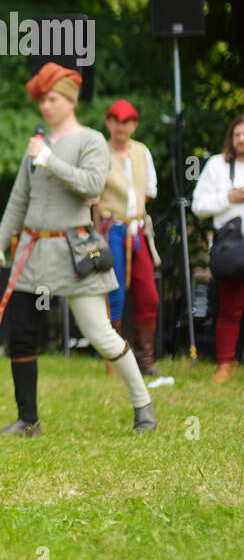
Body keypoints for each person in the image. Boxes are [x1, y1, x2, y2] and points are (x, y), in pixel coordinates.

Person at [0, 62, 156, 434]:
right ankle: (28, 421)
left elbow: (92, 186)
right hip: (32, 253)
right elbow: (18, 200)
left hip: (75, 252)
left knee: (100, 333)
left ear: (71, 101)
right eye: (43, 100)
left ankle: (143, 404)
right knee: (23, 335)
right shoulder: (36, 145)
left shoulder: (91, 140)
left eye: (55, 99)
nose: (47, 106)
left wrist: (50, 160)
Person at [97, 99, 162, 377]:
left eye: (127, 122)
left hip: (137, 230)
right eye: (116, 121)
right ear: (108, 123)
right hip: (112, 230)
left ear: (134, 124)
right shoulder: (99, 152)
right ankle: (115, 361)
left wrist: (132, 216)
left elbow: (148, 191)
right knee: (114, 295)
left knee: (149, 296)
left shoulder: (142, 152)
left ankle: (145, 363)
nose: (121, 127)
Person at [191, 112, 244, 384]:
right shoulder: (215, 165)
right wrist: (228, 198)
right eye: (237, 134)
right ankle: (224, 364)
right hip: (231, 250)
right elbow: (198, 206)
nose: (242, 139)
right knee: (230, 308)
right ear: (230, 138)